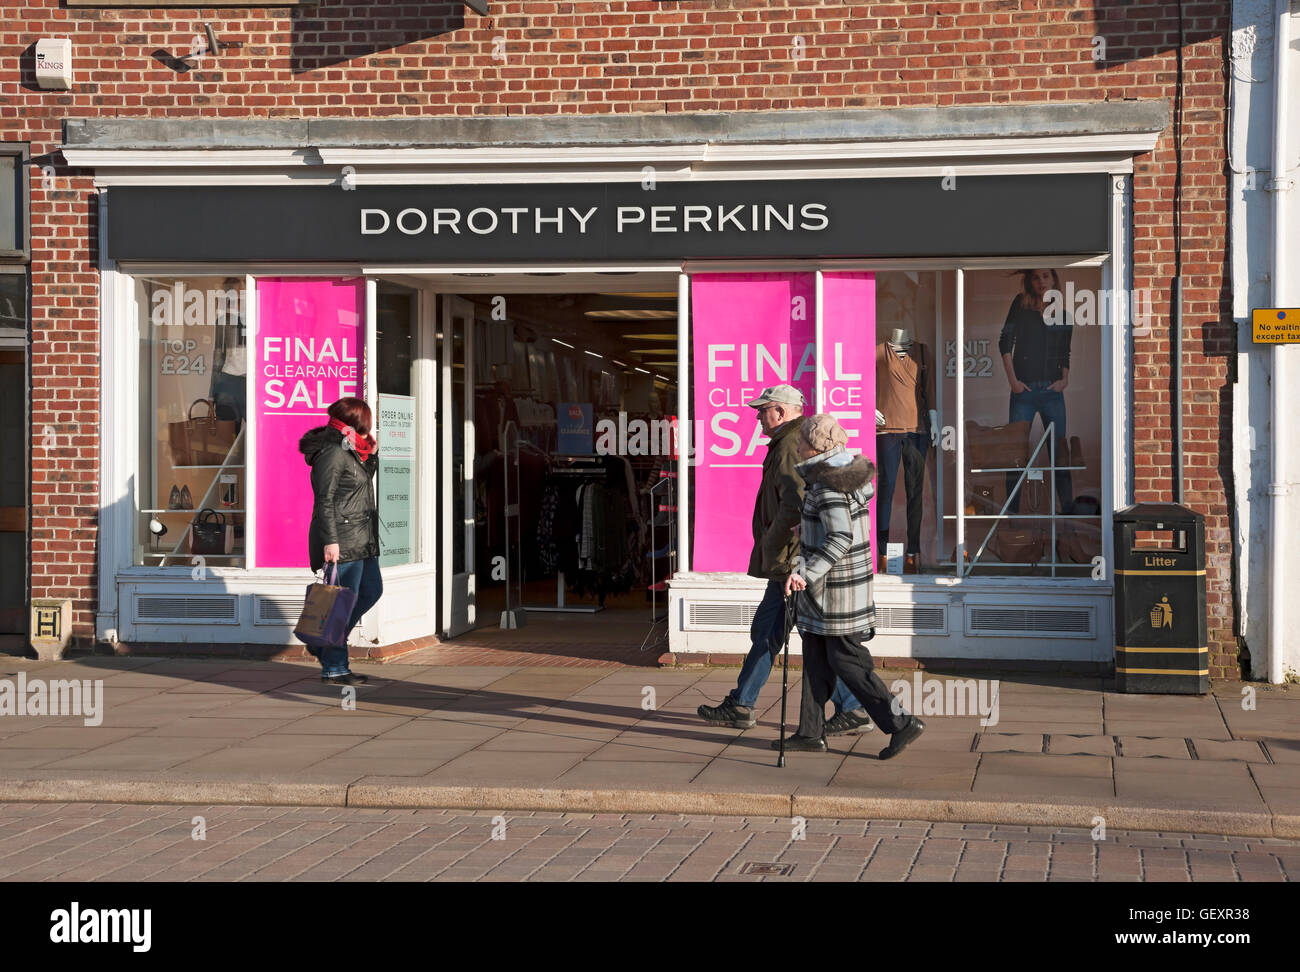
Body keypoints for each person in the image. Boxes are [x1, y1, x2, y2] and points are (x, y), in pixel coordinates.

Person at [698, 385, 871, 734]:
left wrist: (771, 543)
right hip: (791, 562)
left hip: (792, 563)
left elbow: (794, 505)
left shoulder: (791, 446)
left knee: (792, 637)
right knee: (774, 633)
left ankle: (851, 707)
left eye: (763, 411)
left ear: (780, 412)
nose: (759, 417)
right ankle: (743, 703)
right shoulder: (790, 442)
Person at [773, 414, 926, 758]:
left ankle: (901, 723)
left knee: (848, 662)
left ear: (817, 446)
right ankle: (811, 732)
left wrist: (805, 574)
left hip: (835, 594)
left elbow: (840, 537)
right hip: (835, 592)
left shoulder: (828, 483)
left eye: (801, 441)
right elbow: (840, 526)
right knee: (814, 656)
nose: (797, 445)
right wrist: (807, 530)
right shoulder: (841, 474)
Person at [298, 397, 383, 686]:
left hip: (361, 538)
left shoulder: (350, 448)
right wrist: (330, 541)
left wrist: (370, 454)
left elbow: (358, 484)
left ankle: (325, 644)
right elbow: (325, 500)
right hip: (343, 540)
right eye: (367, 423)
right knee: (339, 606)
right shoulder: (333, 451)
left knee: (372, 590)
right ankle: (334, 666)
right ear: (357, 422)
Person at [1000, 268, 1074, 515]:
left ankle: (1069, 520)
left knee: (1060, 457)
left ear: (1054, 279)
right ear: (1029, 281)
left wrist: (1065, 379)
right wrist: (1013, 381)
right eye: (1036, 277)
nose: (1041, 281)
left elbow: (1065, 351)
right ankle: (1012, 520)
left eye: (1046, 276)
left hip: (1053, 392)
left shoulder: (1062, 313)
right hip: (1025, 392)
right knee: (1016, 456)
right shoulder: (1021, 306)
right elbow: (1005, 342)